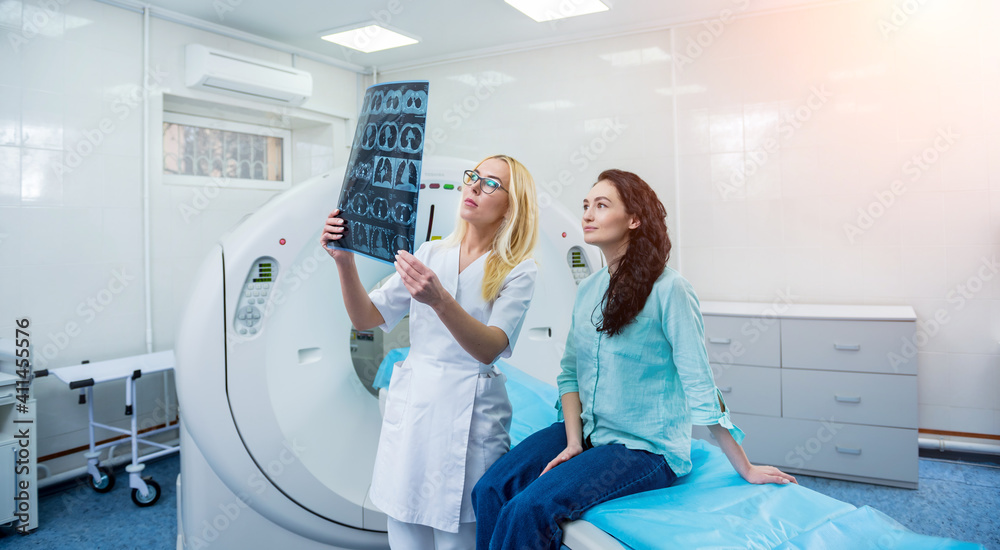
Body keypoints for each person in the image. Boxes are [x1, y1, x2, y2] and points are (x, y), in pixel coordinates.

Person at [472, 169, 797, 550]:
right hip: (591, 432)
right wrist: (574, 442)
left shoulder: (669, 290)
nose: (588, 215)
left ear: (633, 219)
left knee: (528, 509)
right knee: (490, 488)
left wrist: (745, 466)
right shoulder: (590, 289)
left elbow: (699, 384)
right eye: (586, 206)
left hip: (643, 448)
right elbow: (570, 374)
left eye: (602, 205)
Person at [321, 155, 540, 549]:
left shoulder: (518, 269)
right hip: (416, 412)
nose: (474, 186)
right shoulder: (430, 253)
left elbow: (489, 348)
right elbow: (365, 318)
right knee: (405, 532)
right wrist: (345, 261)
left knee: (459, 537)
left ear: (512, 206)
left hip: (471, 418)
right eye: (473, 177)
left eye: (490, 183)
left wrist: (440, 300)